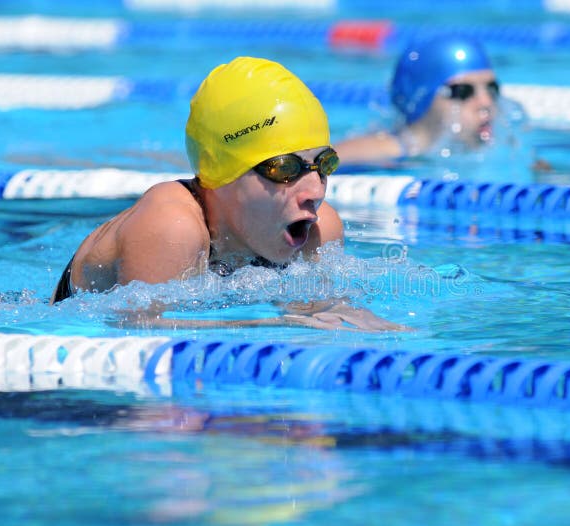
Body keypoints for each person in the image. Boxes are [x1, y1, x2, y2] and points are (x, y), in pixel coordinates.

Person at [50, 56, 405, 332]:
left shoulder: (320, 229)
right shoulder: (172, 228)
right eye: (285, 169)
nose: (315, 192)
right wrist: (268, 327)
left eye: (323, 164)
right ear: (222, 174)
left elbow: (314, 314)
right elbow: (136, 332)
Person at [335, 35, 547, 172]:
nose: (485, 102)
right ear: (420, 99)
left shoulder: (510, 149)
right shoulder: (381, 151)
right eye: (462, 91)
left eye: (491, 89)